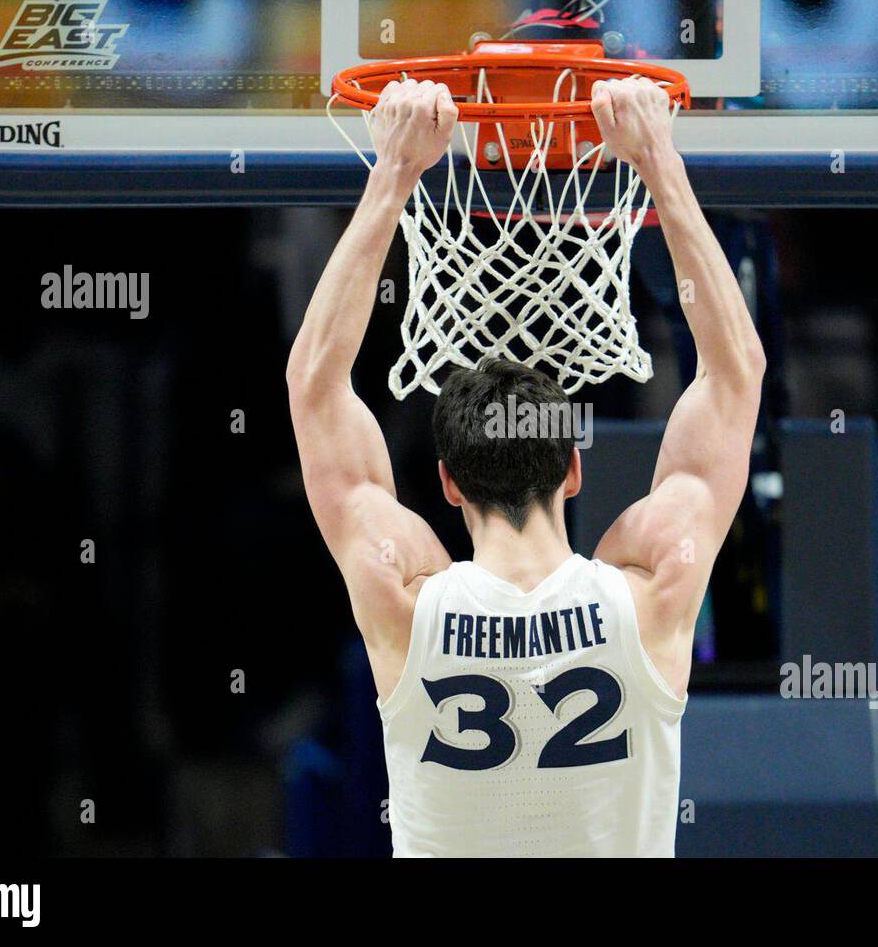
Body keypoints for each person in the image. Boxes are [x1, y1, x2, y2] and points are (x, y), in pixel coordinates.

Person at [287, 77, 765, 856]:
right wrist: (656, 159)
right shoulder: (649, 597)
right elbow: (736, 372)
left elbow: (313, 385)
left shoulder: (404, 604)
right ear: (573, 470)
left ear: (447, 484)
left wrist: (395, 173)